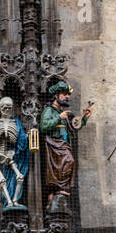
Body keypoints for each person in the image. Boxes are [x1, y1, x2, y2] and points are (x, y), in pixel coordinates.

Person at [39, 80, 92, 212]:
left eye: (67, 94)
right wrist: (59, 117)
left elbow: (73, 128)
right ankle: (55, 192)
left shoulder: (63, 113)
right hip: (54, 146)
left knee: (66, 164)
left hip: (63, 145)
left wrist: (84, 119)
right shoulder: (49, 110)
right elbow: (44, 127)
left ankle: (56, 193)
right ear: (56, 96)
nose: (67, 96)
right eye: (64, 94)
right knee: (67, 162)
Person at [0, 96, 30, 210]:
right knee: (4, 178)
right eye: (4, 108)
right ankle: (9, 201)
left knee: (19, 176)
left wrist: (27, 137)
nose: (7, 110)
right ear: (0, 108)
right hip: (0, 154)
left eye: (9, 108)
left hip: (12, 154)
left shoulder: (15, 123)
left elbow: (20, 139)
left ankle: (15, 200)